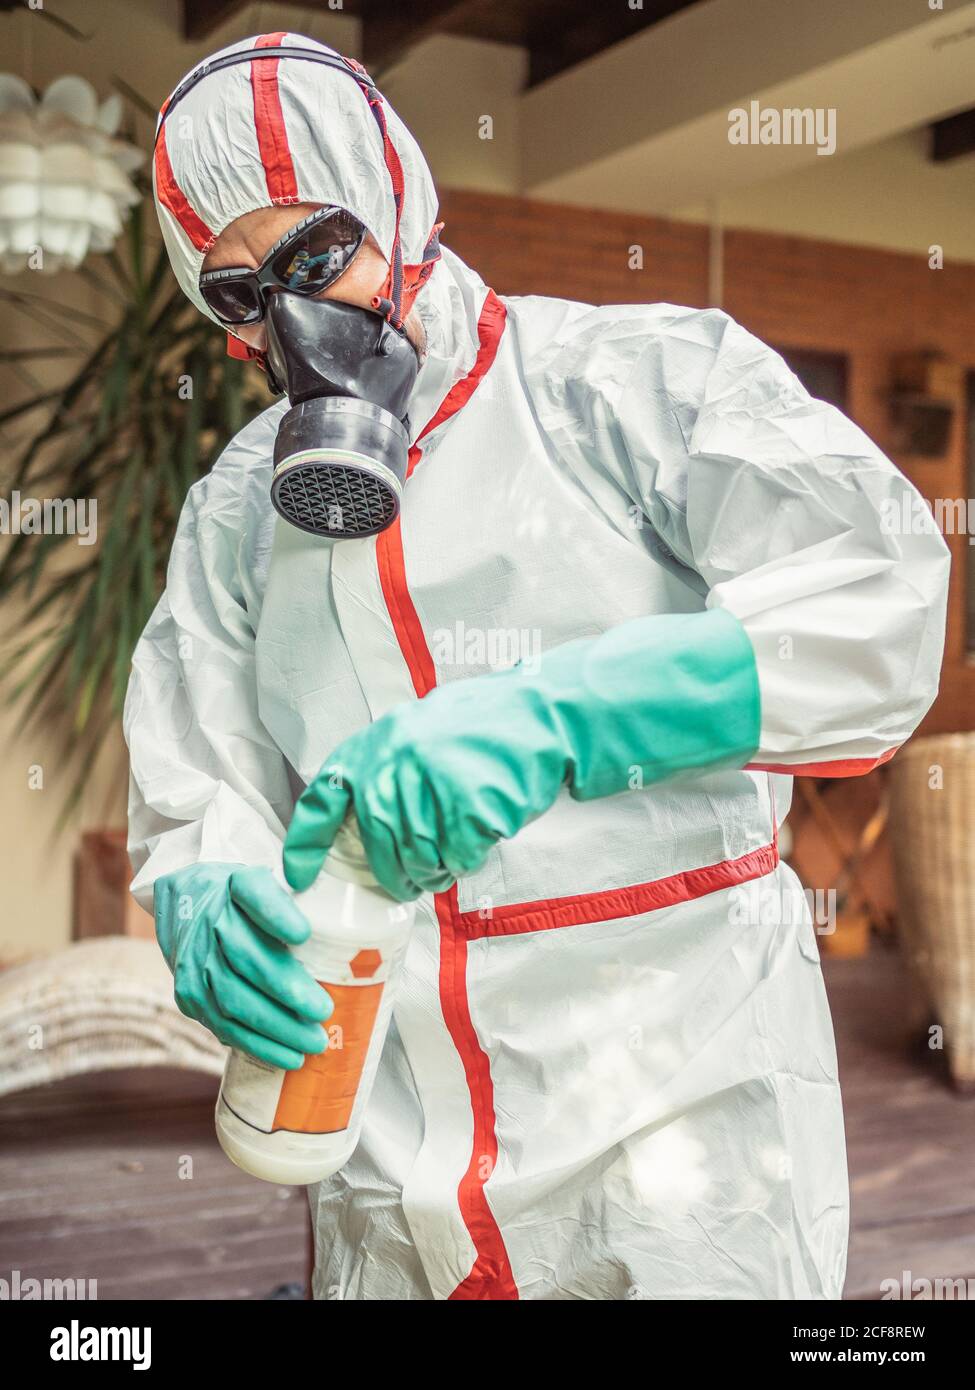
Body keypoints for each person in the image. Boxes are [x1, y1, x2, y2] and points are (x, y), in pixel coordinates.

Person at [125, 32, 950, 1301]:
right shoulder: (239, 513)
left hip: (679, 1124)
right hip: (386, 1148)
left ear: (401, 203)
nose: (291, 320)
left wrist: (560, 717)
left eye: (315, 255)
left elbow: (881, 599)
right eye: (240, 293)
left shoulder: (634, 384)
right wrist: (211, 887)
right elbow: (199, 766)